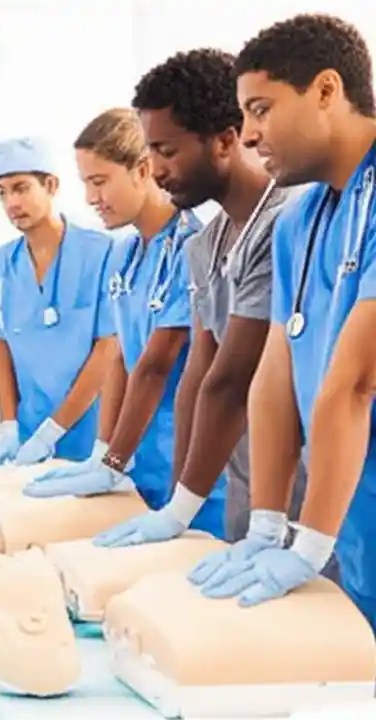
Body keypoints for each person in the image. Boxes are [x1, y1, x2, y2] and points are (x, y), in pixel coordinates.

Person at [186, 13, 376, 629]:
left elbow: (355, 382)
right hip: (354, 525)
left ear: (326, 90)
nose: (248, 136)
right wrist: (269, 522)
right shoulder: (298, 221)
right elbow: (274, 371)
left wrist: (310, 544)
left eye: (261, 110)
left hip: (339, 524)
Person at [97, 49, 304, 549]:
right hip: (243, 484)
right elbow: (198, 378)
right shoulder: (203, 247)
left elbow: (232, 382)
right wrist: (176, 504)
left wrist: (183, 507)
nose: (157, 169)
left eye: (168, 151)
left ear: (225, 141)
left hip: (300, 489)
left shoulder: (284, 224)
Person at [27, 109, 227, 538]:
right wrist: (104, 450)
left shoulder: (194, 245)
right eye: (85, 184)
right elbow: (120, 357)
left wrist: (114, 460)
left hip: (193, 464)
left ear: (142, 170)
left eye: (99, 181)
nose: (90, 197)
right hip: (141, 463)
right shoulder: (123, 256)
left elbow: (157, 364)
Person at [0, 138, 117, 467]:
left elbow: (108, 350)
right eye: (2, 192)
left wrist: (53, 431)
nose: (11, 202)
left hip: (93, 436)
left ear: (50, 185)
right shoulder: (0, 266)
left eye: (21, 188)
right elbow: (2, 348)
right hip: (28, 437)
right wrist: (9, 428)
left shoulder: (103, 253)